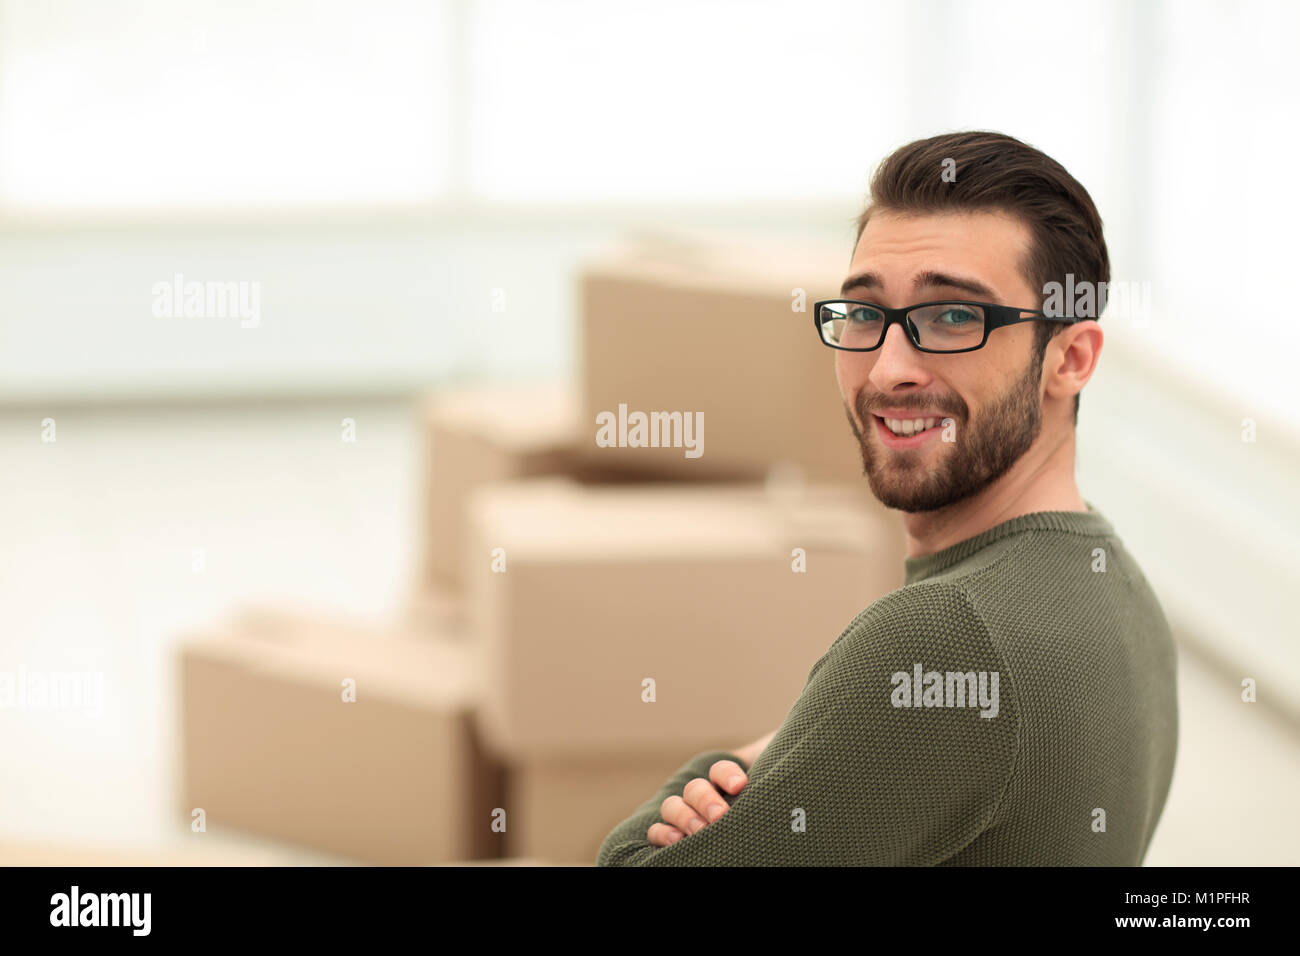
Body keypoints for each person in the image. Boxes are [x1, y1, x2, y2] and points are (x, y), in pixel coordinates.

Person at [596, 131, 1178, 866]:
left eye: (955, 317)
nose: (890, 368)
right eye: (864, 315)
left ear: (1070, 359)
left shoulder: (942, 640)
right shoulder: (1121, 593)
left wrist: (722, 770)